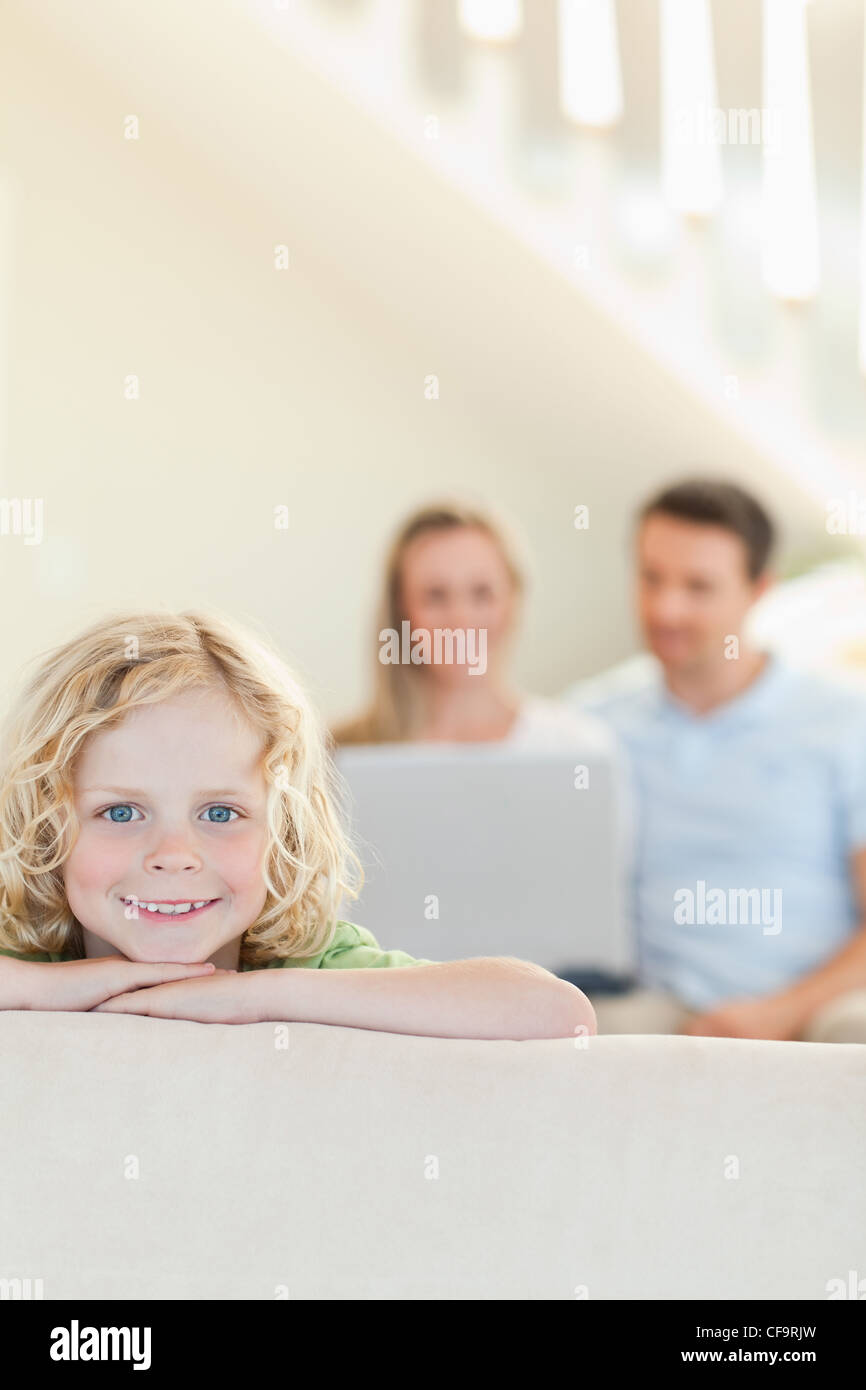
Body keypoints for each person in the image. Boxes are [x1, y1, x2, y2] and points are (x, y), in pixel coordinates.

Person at [0, 608, 594, 1040]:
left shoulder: (298, 964)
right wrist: (44, 992)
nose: (174, 854)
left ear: (282, 834)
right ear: (48, 827)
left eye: (220, 813)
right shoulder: (32, 960)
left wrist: (256, 998)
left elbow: (557, 1013)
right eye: (122, 812)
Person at [564, 478, 866, 1043]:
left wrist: (780, 1012)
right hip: (662, 1008)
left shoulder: (845, 722)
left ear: (759, 591)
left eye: (698, 587)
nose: (665, 608)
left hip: (815, 1007)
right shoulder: (592, 725)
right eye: (651, 578)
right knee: (555, 1037)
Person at [332, 500, 612, 752]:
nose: (460, 619)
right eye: (435, 595)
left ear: (513, 602)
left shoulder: (575, 748)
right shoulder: (341, 753)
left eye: (482, 593)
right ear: (401, 610)